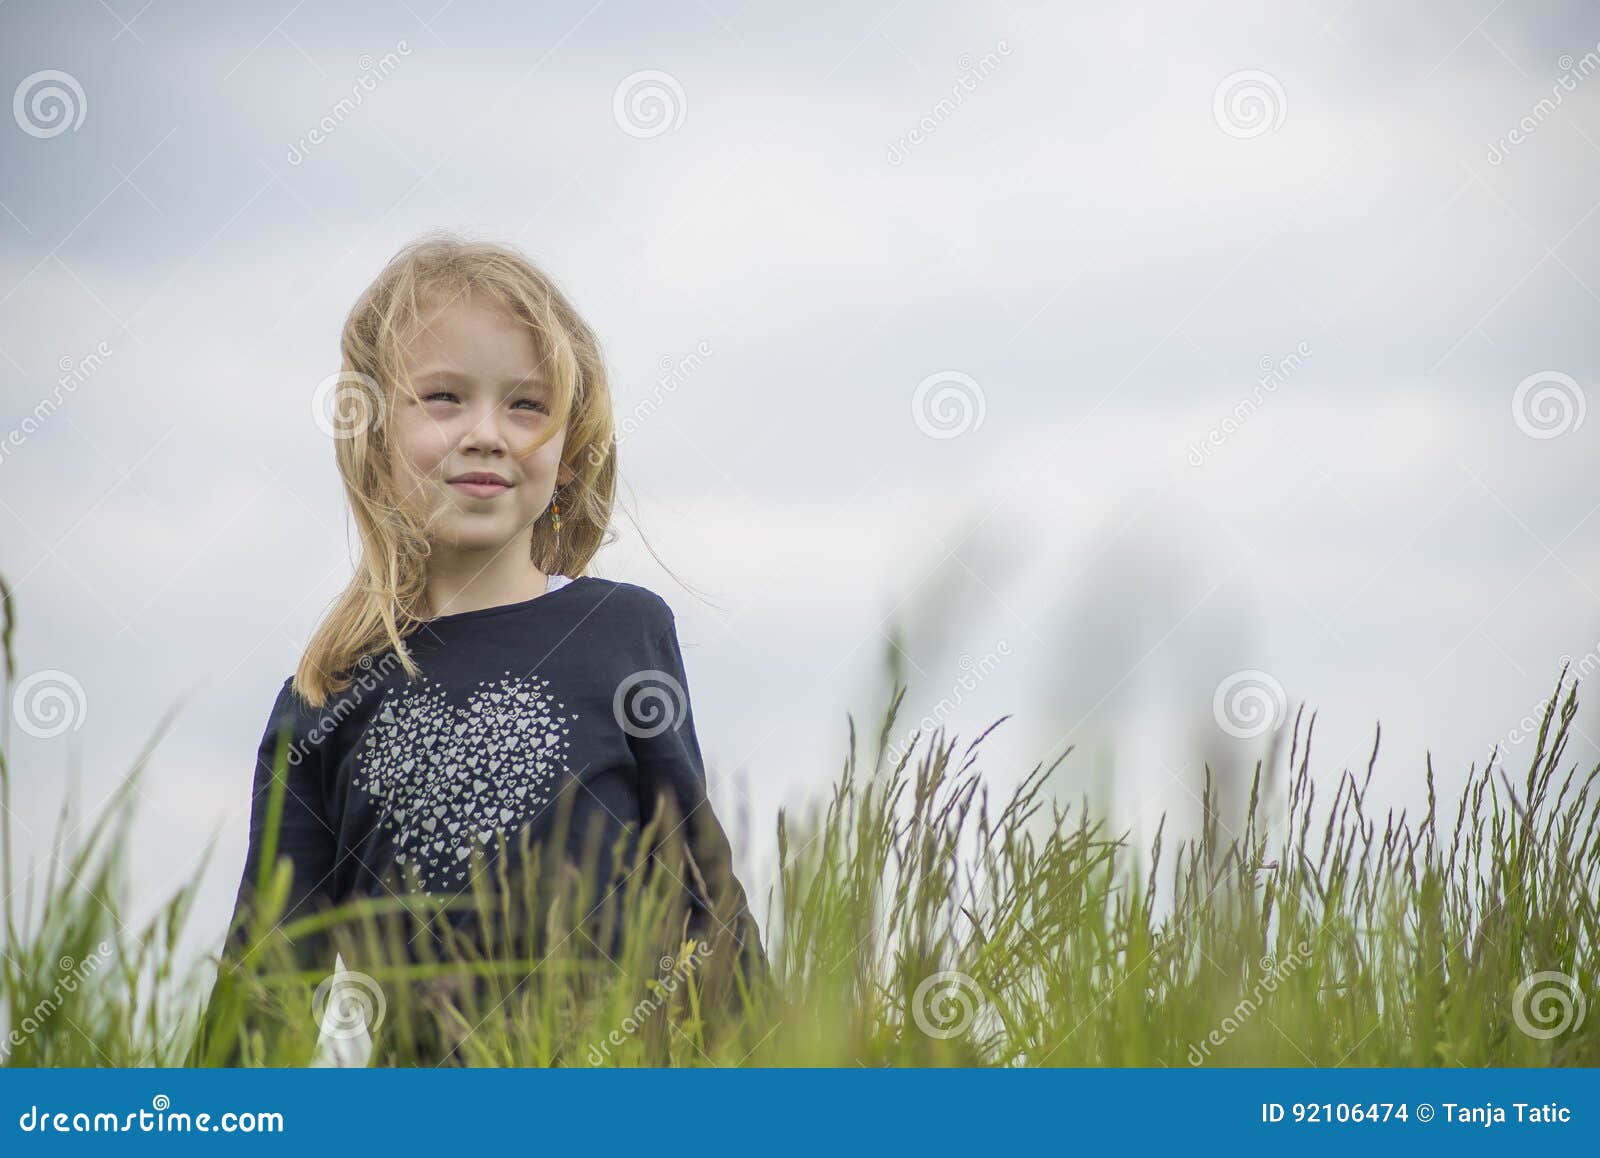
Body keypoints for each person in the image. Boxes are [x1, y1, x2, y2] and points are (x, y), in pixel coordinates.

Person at [191, 233, 766, 1066]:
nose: (488, 433)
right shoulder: (325, 698)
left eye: (527, 405)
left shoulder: (621, 632)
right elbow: (269, 971)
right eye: (444, 398)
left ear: (569, 453)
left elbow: (706, 897)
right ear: (374, 435)